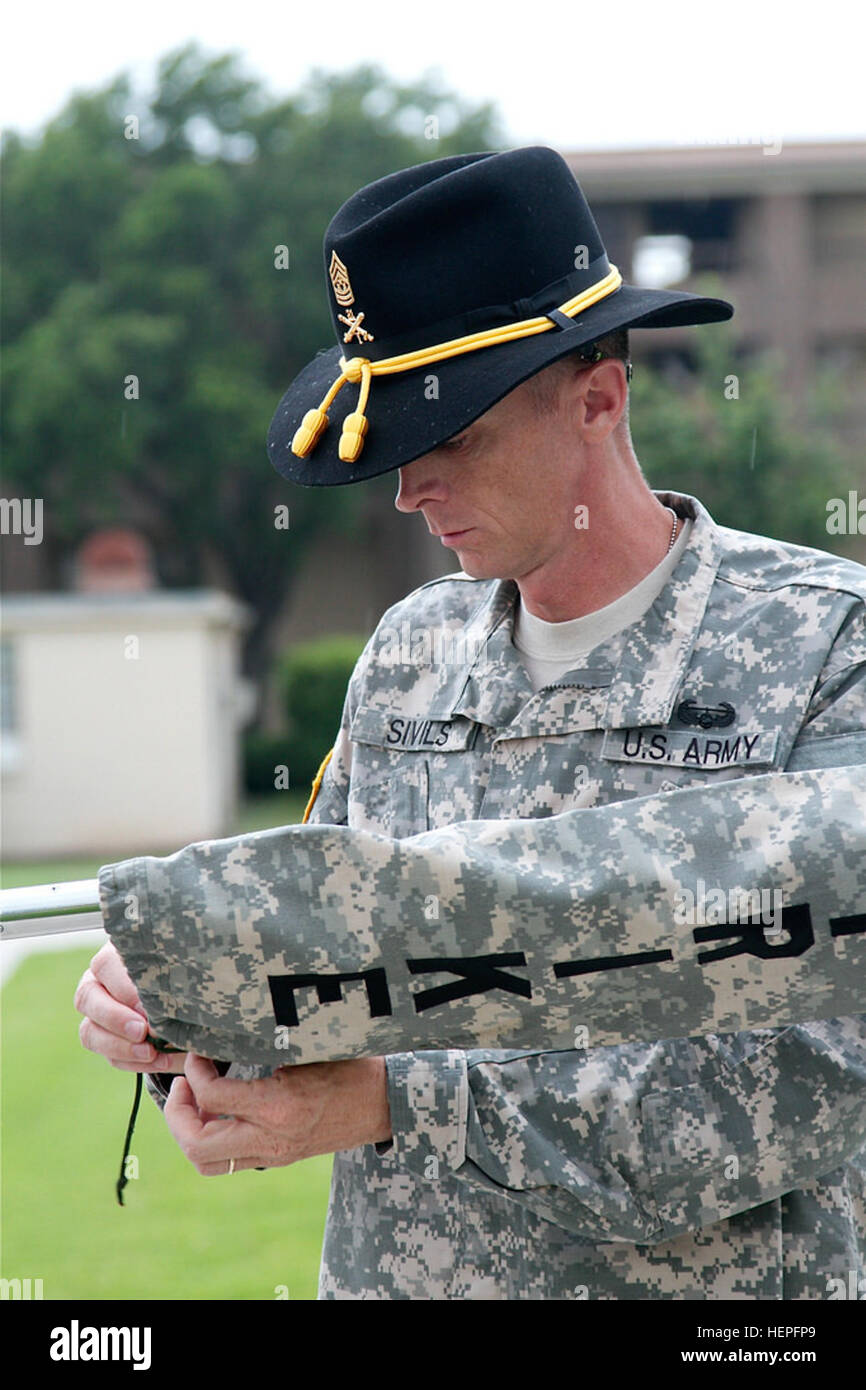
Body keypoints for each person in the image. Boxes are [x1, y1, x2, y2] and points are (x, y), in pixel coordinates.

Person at [76, 146, 866, 1300]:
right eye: (390, 443)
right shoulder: (405, 654)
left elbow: (811, 1078)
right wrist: (179, 1003)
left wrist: (403, 1099)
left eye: (447, 436)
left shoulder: (822, 652)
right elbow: (321, 969)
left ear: (597, 394)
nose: (407, 488)